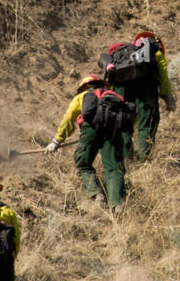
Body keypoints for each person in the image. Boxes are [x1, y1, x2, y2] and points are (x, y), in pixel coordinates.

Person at [47, 74, 133, 211]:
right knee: (113, 168)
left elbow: (69, 119)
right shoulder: (115, 96)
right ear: (103, 84)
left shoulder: (83, 96)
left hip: (91, 129)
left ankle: (97, 194)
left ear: (85, 86)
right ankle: (117, 204)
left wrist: (56, 141)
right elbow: (130, 117)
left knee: (83, 164)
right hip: (113, 132)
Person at [119, 30, 176, 163]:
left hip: (126, 90)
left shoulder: (128, 56)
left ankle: (127, 159)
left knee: (125, 124)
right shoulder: (156, 53)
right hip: (147, 90)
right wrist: (167, 97)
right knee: (147, 124)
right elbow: (163, 77)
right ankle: (143, 161)